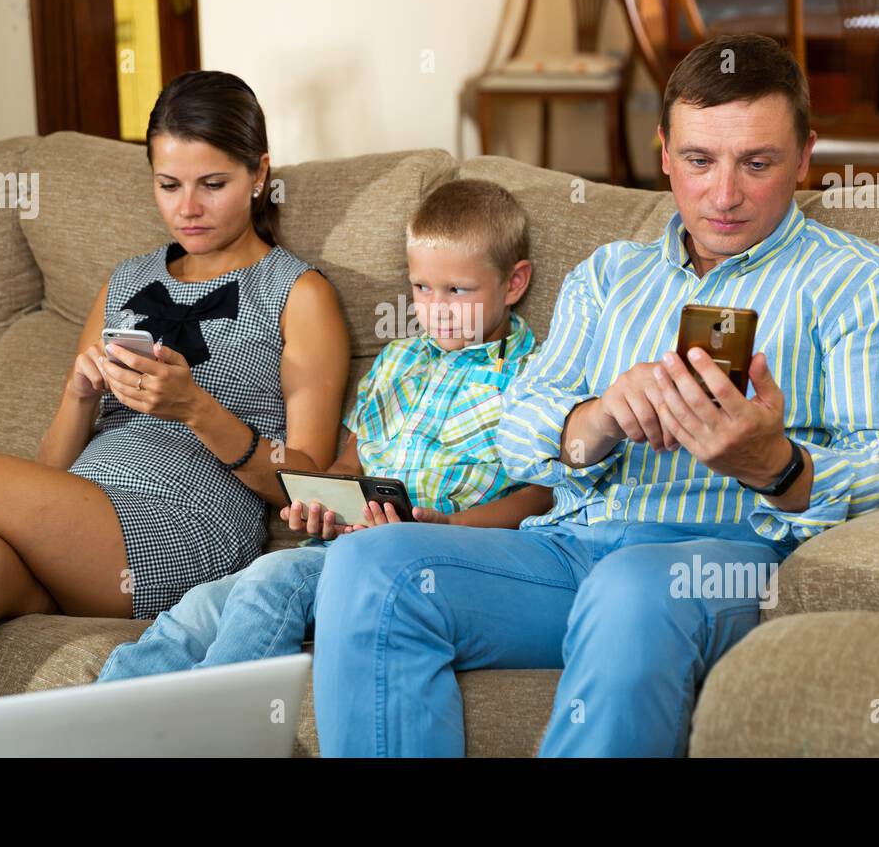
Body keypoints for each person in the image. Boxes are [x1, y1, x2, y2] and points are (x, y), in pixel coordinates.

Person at [311, 33, 879, 756]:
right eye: (700, 160)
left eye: (758, 163)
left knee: (634, 589)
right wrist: (601, 414)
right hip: (569, 550)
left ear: (805, 158)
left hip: (724, 559)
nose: (724, 193)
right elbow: (518, 429)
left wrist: (776, 462)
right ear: (665, 155)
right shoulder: (609, 275)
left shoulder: (861, 283)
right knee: (372, 566)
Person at [0, 71, 349, 712]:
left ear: (258, 174)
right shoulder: (127, 278)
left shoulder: (300, 295)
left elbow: (306, 479)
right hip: (79, 521)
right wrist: (80, 393)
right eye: (168, 185)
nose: (187, 207)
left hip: (183, 528)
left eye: (212, 185)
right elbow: (51, 472)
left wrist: (195, 408)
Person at [95, 179, 553, 680]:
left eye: (457, 291)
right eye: (421, 287)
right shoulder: (399, 361)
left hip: (440, 557)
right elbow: (347, 467)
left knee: (273, 580)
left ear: (514, 283)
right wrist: (323, 504)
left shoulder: (534, 376)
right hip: (347, 545)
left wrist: (449, 529)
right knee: (196, 609)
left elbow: (543, 494)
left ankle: (216, 732)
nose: (435, 309)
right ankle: (99, 723)